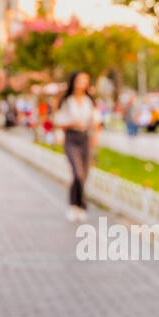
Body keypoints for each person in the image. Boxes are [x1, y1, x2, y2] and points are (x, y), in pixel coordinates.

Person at [53, 71, 101, 222]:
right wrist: (71, 124)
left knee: (84, 175)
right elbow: (58, 121)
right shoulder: (66, 101)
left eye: (85, 81)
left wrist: (95, 135)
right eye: (80, 80)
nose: (82, 83)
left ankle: (79, 205)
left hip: (85, 138)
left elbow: (97, 121)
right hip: (71, 138)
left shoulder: (89, 101)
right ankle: (75, 205)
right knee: (77, 173)